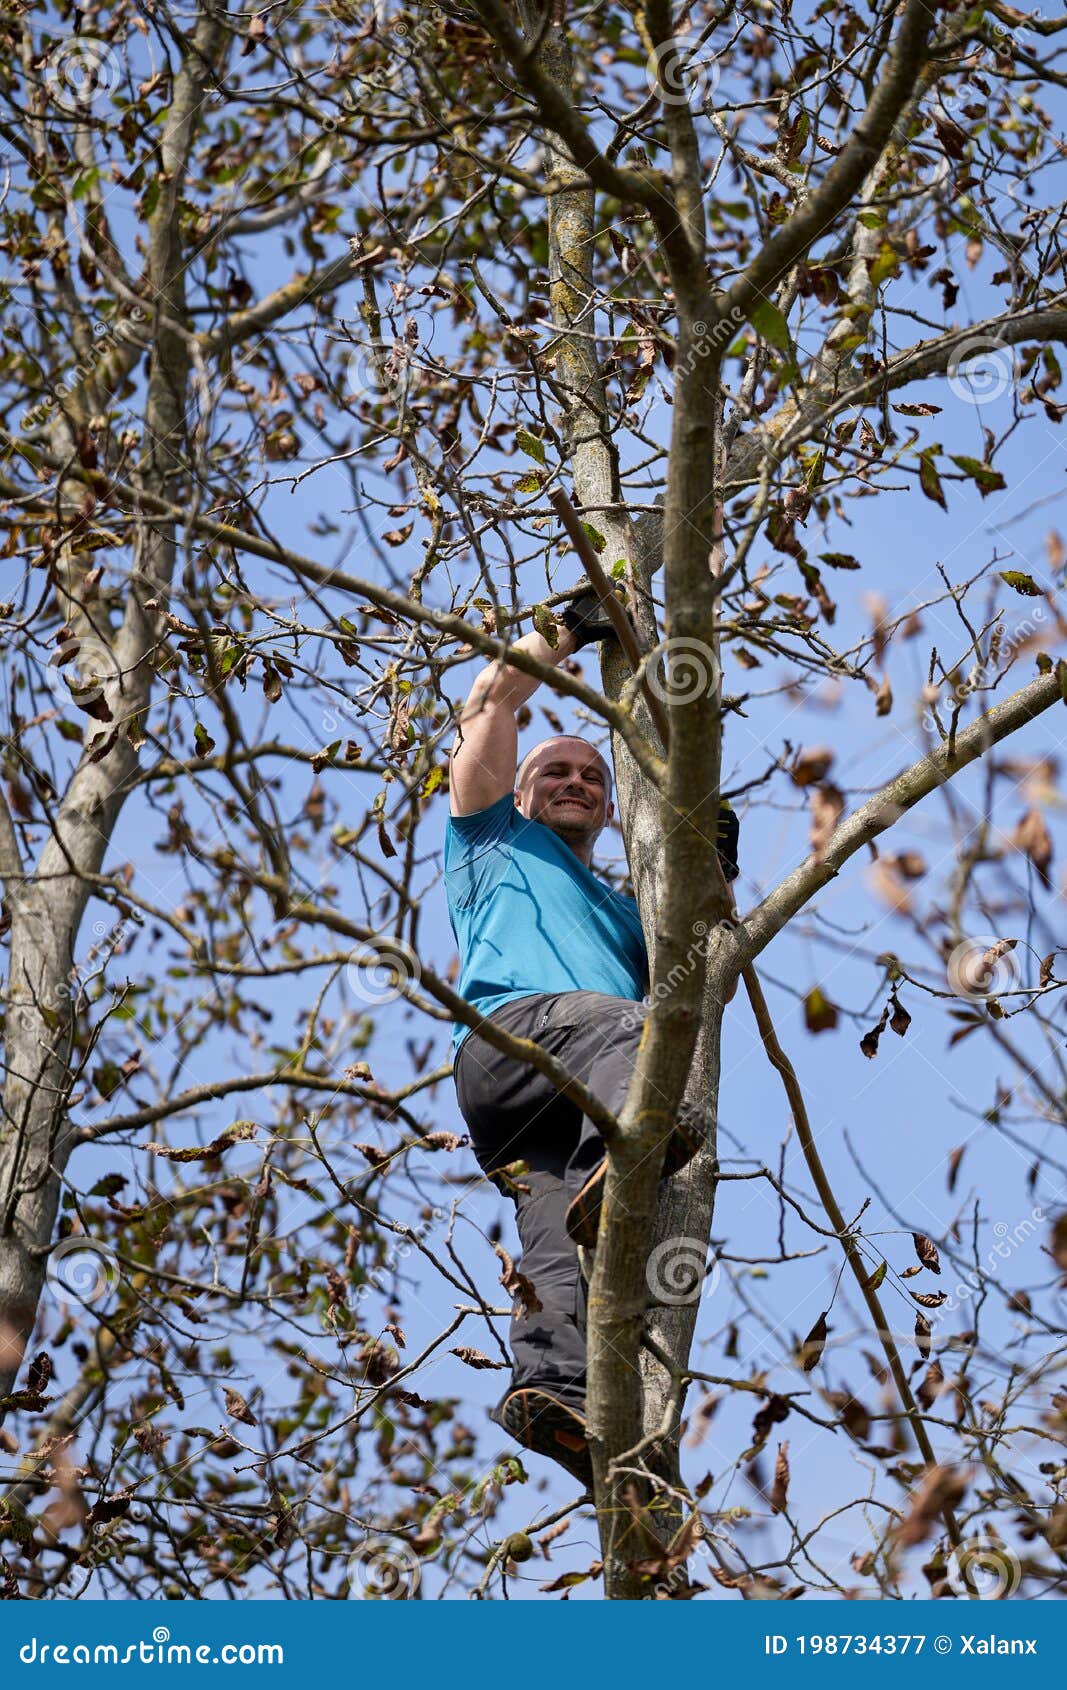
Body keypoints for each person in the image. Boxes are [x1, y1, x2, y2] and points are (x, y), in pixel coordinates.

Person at [445, 589, 739, 1489]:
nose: (575, 781)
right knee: (630, 1030)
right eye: (555, 772)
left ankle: (564, 1406)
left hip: (550, 1119)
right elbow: (489, 703)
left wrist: (710, 864)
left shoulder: (623, 913)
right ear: (520, 793)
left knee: (556, 1258)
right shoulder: (490, 841)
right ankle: (625, 1158)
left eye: (592, 778)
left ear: (613, 812)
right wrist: (567, 630)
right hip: (516, 1041)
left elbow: (702, 959)